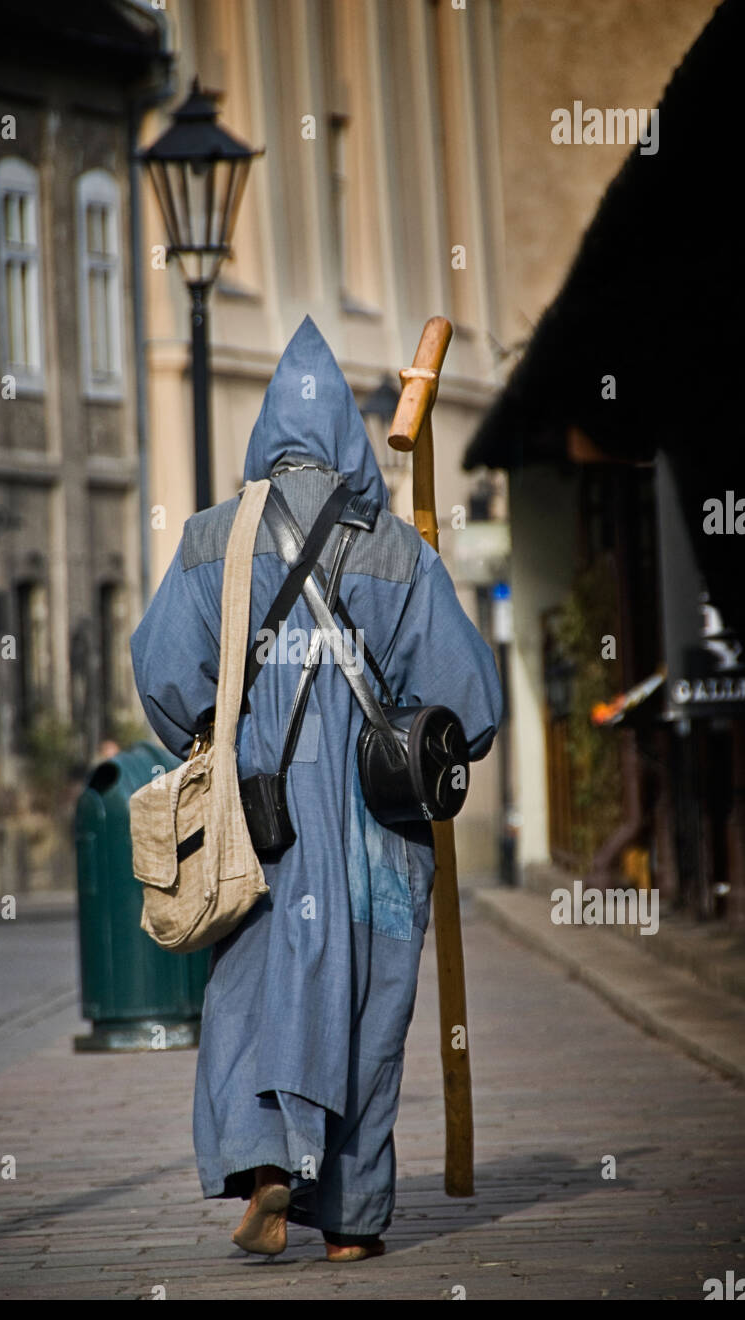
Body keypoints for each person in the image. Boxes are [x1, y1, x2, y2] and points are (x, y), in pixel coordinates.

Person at [131, 316, 502, 1261]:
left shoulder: (212, 541)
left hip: (257, 825)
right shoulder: (397, 551)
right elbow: (471, 707)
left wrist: (215, 742)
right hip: (378, 836)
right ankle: (352, 1225)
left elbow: (163, 677)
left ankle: (267, 1168)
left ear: (263, 433)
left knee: (253, 998)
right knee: (371, 1010)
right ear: (347, 434)